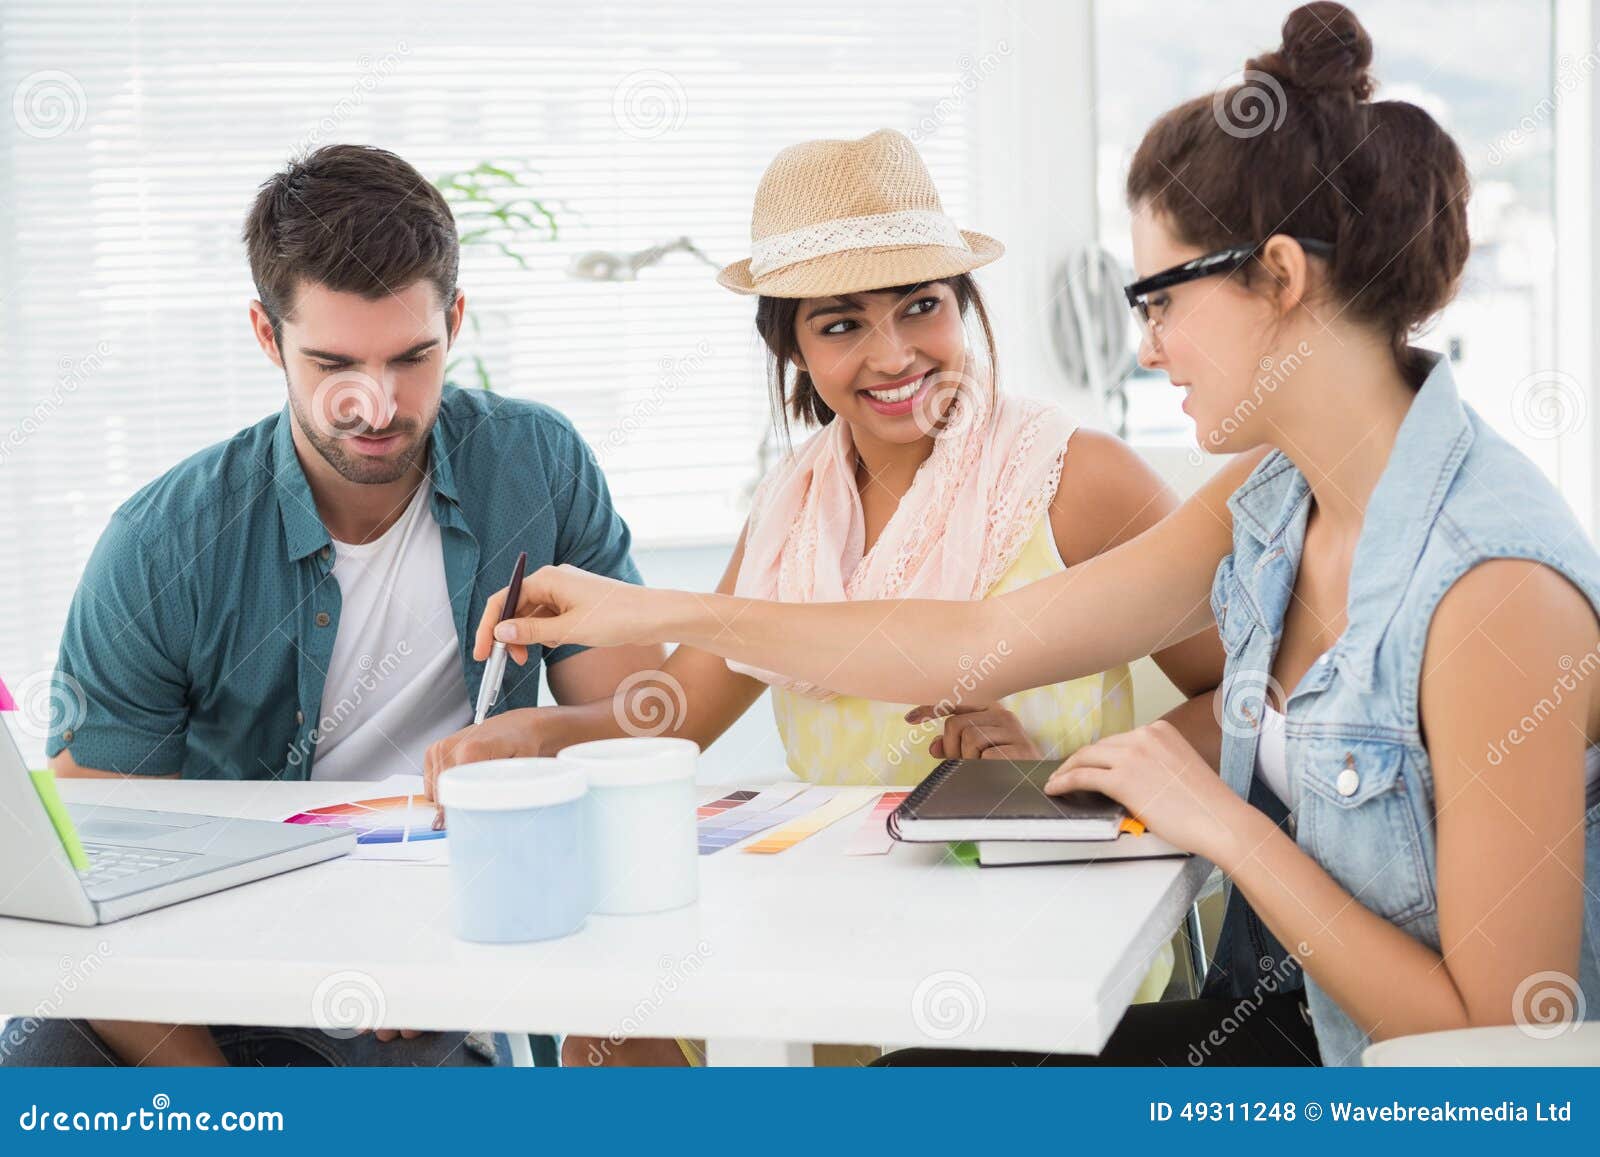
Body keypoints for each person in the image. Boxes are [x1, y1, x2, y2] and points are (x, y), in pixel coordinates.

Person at [471, 6, 1600, 1066]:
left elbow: (1505, 1064)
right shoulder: (1270, 496)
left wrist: (1222, 825)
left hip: (1413, 1085)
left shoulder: (1491, 591)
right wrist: (645, 610)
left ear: (1281, 278)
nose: (1145, 347)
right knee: (879, 1072)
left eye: (1156, 299)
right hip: (1289, 1024)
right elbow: (985, 634)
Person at [435, 129, 1225, 1066]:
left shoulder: (1075, 477)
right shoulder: (790, 513)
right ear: (793, 346)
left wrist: (1068, 782)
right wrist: (532, 736)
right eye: (842, 323)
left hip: (1045, 935)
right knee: (607, 1037)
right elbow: (672, 712)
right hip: (846, 926)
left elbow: (1245, 699)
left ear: (962, 305)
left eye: (921, 307)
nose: (894, 356)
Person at [12, 144, 661, 1068]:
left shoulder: (536, 466)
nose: (378, 404)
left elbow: (640, 728)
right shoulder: (163, 544)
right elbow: (89, 864)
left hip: (449, 959)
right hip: (215, 972)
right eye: (333, 363)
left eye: (413, 357)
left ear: (458, 322)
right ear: (267, 337)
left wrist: (529, 747)